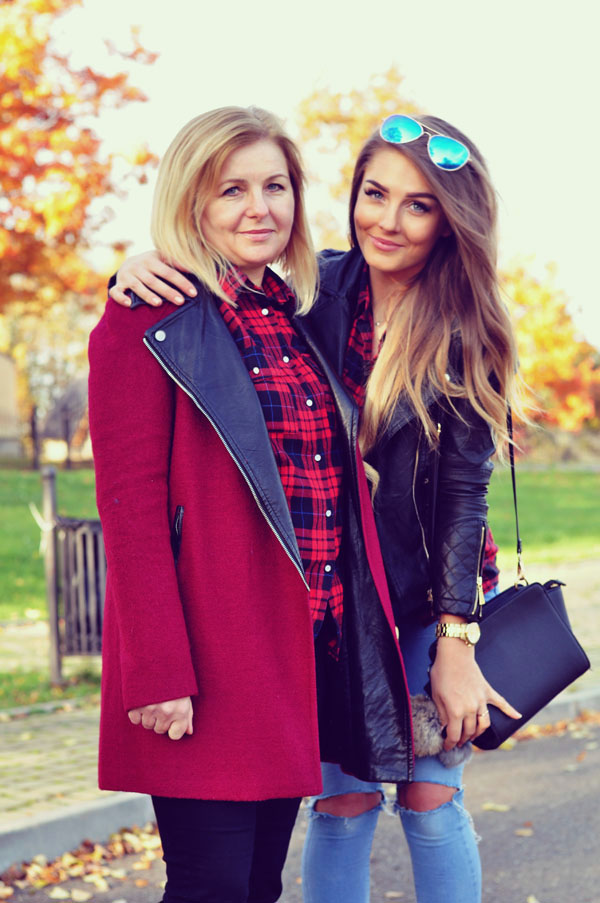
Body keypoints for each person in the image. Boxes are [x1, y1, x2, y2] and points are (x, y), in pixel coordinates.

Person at [108, 112, 521, 903]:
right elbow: (204, 315)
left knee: (431, 796)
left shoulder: (468, 330)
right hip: (336, 598)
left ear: (451, 221)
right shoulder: (310, 294)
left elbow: (465, 496)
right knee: (343, 802)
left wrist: (457, 637)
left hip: (430, 593)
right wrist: (138, 267)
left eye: (419, 204)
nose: (387, 220)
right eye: (375, 193)